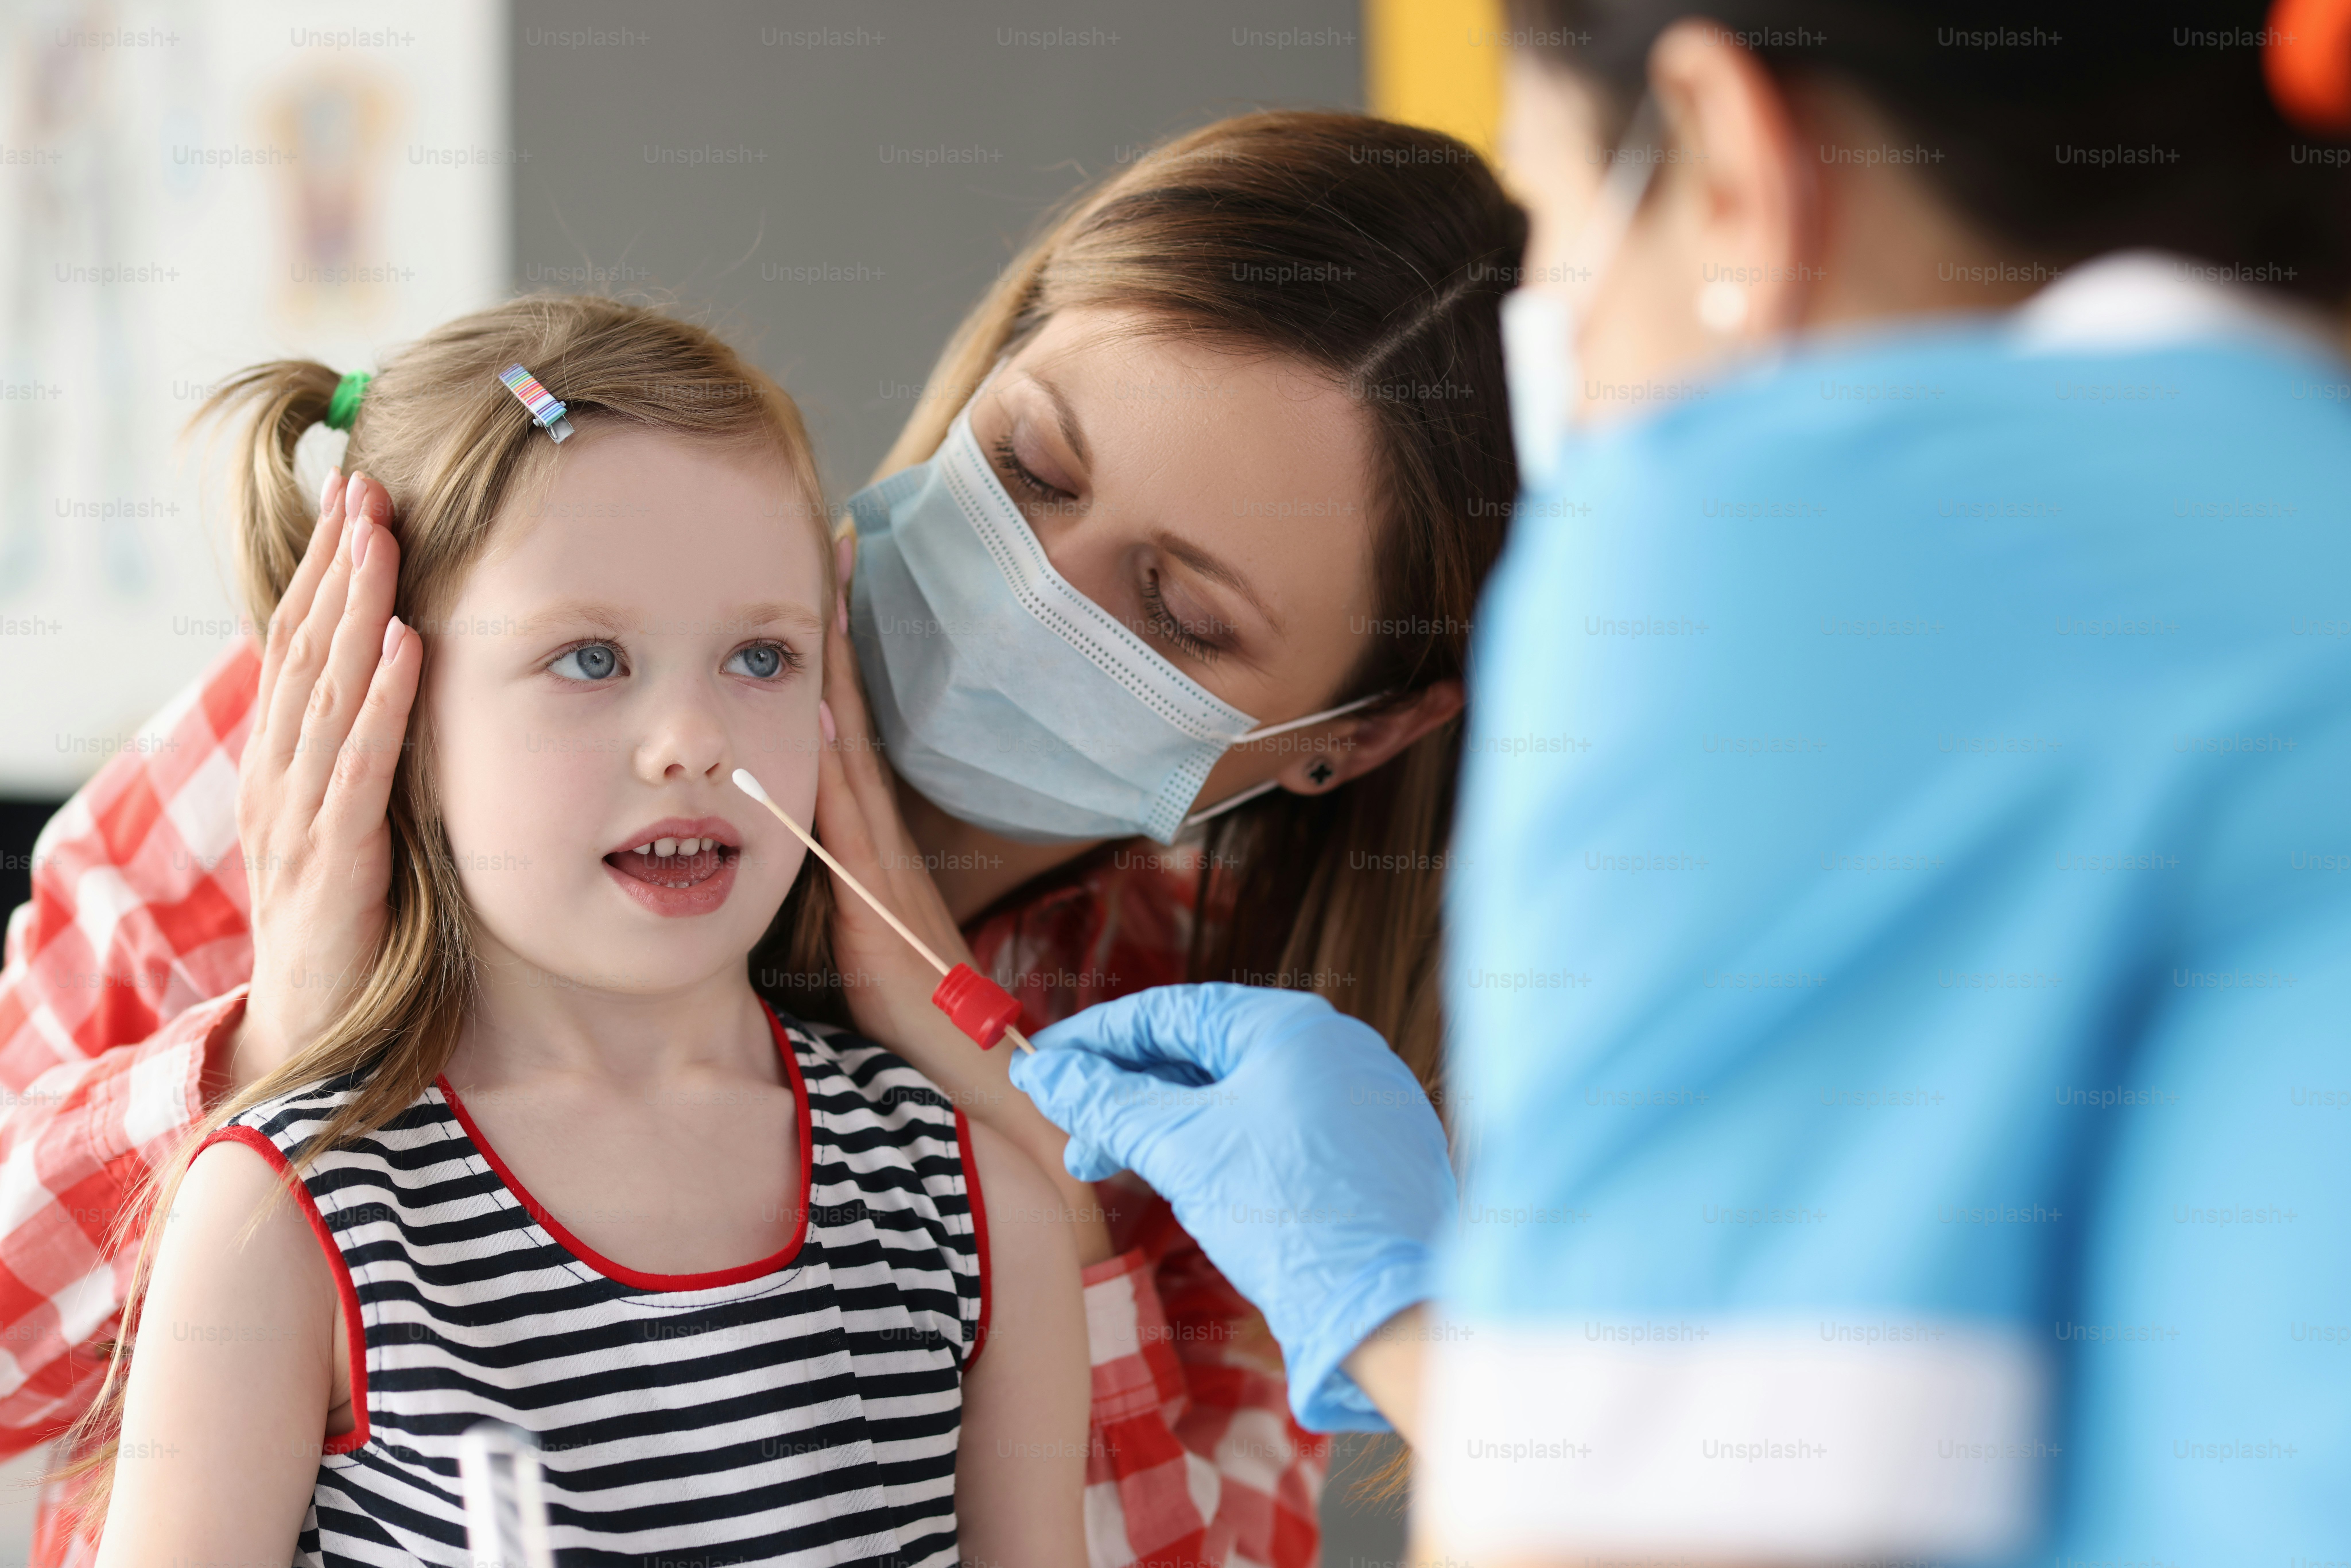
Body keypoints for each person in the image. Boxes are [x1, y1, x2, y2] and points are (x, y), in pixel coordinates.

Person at [0, 111, 1524, 1567]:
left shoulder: (1227, 1105)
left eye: (1178, 611)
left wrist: (1031, 1180)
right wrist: (281, 1044)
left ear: (1353, 738)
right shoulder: (366, 718)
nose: (1029, 589)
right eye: (1037, 465)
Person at [1009, 3, 2351, 1565]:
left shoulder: (1799, 524)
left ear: (1719, 151)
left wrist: (1419, 1315)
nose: (1563, 346)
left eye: (1564, 222)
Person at [66, 296, 1088, 1568]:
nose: (695, 740)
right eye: (592, 658)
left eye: (762, 658)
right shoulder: (284, 1209)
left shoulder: (976, 1206)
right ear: (395, 718)